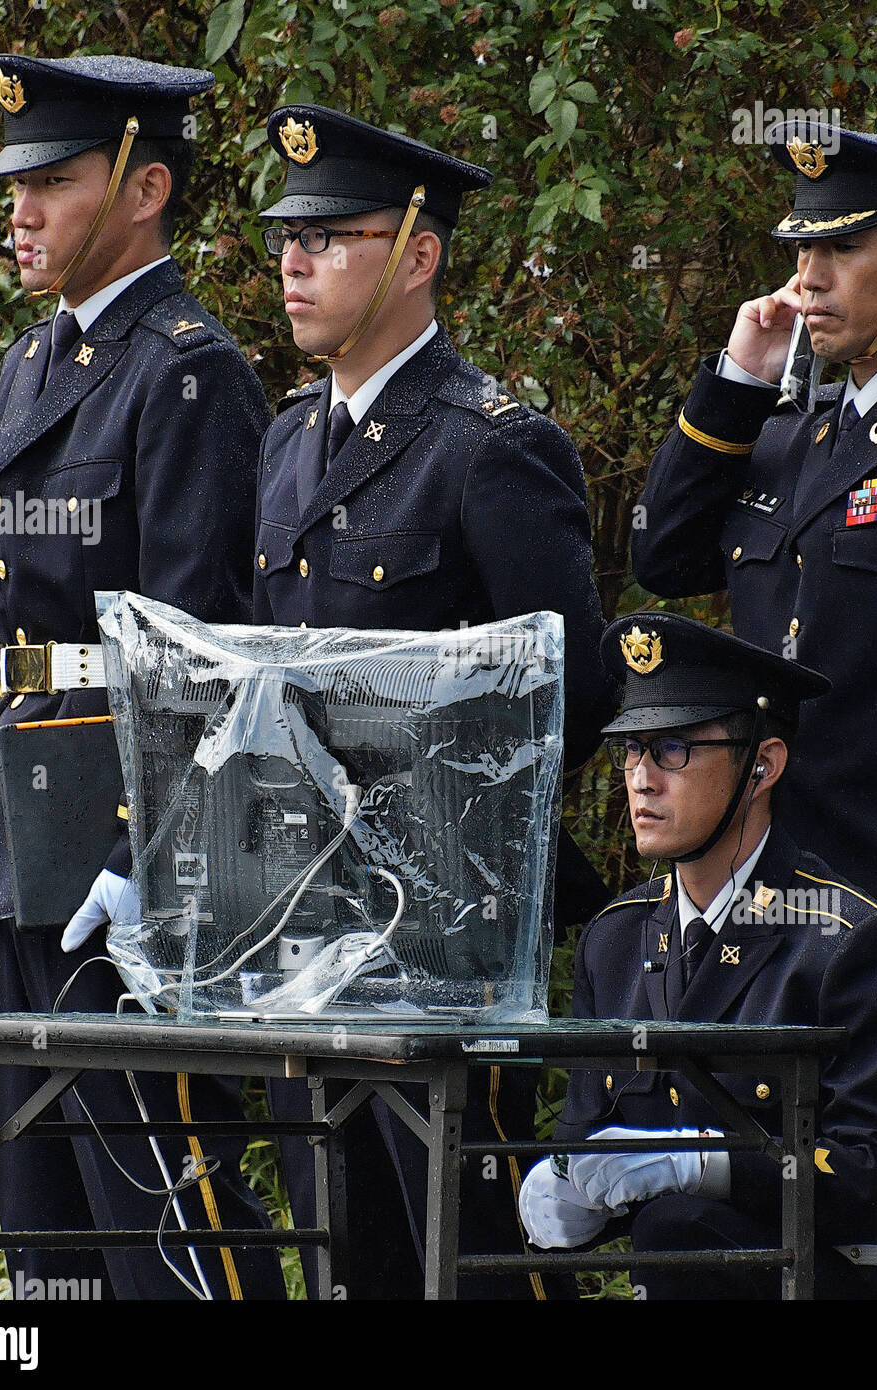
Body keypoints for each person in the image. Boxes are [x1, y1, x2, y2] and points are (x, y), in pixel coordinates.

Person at [251, 104, 617, 1298]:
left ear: (417, 255)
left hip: (452, 925)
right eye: (285, 237)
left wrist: (432, 801)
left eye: (328, 237)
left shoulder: (488, 445)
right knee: (339, 1243)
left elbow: (576, 689)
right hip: (302, 915)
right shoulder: (288, 441)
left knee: (465, 1248)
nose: (295, 262)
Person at [0, 54, 283, 1299]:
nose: (21, 211)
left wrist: (149, 845)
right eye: (16, 185)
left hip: (116, 823)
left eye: (53, 181)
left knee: (164, 1201)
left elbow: (206, 649)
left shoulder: (188, 370)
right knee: (37, 1216)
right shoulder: (33, 362)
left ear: (145, 189)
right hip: (24, 805)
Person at [519, 612, 877, 1298]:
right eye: (631, 750)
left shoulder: (851, 942)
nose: (641, 779)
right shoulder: (614, 941)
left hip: (826, 1280)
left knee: (678, 1226)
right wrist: (568, 1190)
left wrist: (710, 1166)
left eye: (672, 749)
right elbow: (592, 1144)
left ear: (763, 765)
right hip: (684, 1281)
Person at [631, 124, 877, 933]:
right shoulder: (784, 430)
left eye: (843, 249)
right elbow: (664, 556)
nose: (809, 277)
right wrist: (737, 384)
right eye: (802, 250)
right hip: (764, 878)